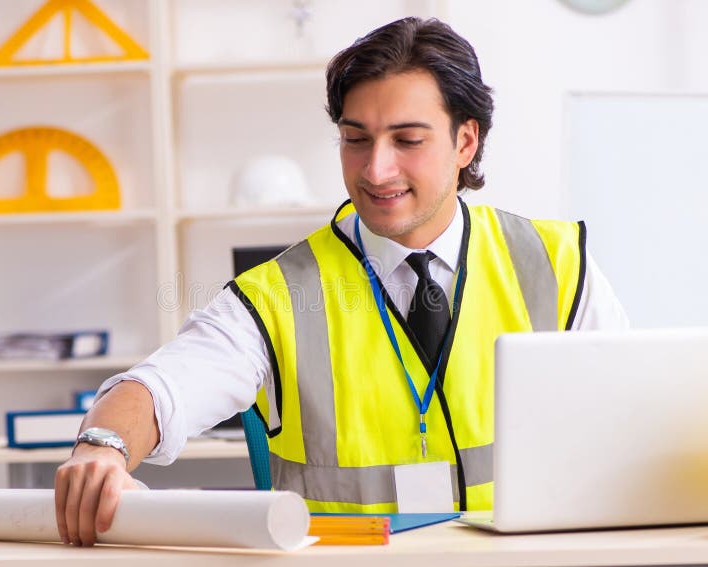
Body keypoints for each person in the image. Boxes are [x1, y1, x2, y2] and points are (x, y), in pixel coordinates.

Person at [54, 16, 628, 546]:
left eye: (407, 140)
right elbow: (161, 387)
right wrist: (103, 446)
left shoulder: (556, 264)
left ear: (465, 142)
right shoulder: (277, 295)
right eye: (356, 139)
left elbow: (632, 418)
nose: (376, 170)